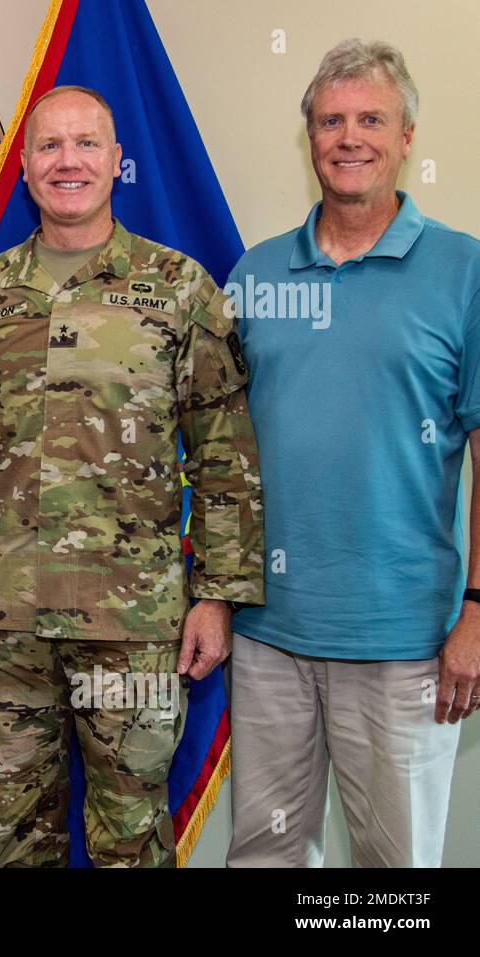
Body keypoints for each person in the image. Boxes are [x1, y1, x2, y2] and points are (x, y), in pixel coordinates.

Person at [0, 86, 264, 868]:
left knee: (130, 836)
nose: (69, 161)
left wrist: (217, 593)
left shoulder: (180, 288)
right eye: (50, 146)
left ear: (118, 162)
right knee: (17, 838)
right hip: (6, 624)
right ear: (24, 168)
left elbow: (224, 450)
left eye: (87, 144)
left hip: (135, 624)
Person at [225, 40, 480, 868]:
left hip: (404, 635)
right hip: (267, 632)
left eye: (371, 118)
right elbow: (214, 450)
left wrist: (479, 606)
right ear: (309, 138)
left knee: (391, 874)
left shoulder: (465, 270)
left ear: (407, 135)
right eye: (331, 120)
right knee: (265, 857)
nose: (349, 136)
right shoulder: (255, 276)